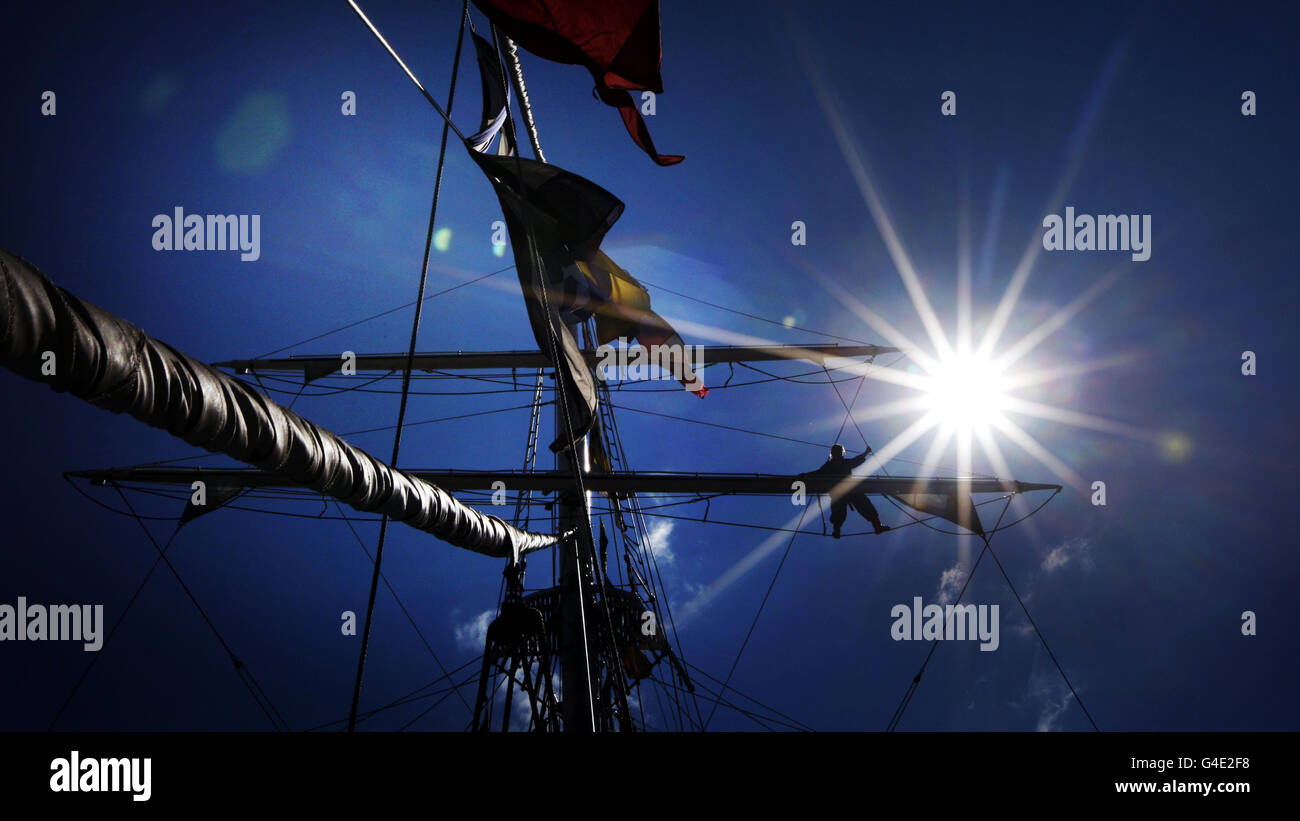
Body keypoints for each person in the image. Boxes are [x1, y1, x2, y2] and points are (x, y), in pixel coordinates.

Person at [804, 444, 891, 538]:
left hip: (848, 489)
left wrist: (866, 453)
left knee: (863, 504)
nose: (838, 454)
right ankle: (837, 529)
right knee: (842, 508)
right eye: (837, 452)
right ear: (833, 453)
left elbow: (856, 460)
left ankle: (876, 525)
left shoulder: (840, 463)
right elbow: (818, 473)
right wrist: (805, 475)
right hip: (840, 490)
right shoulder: (832, 465)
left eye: (839, 452)